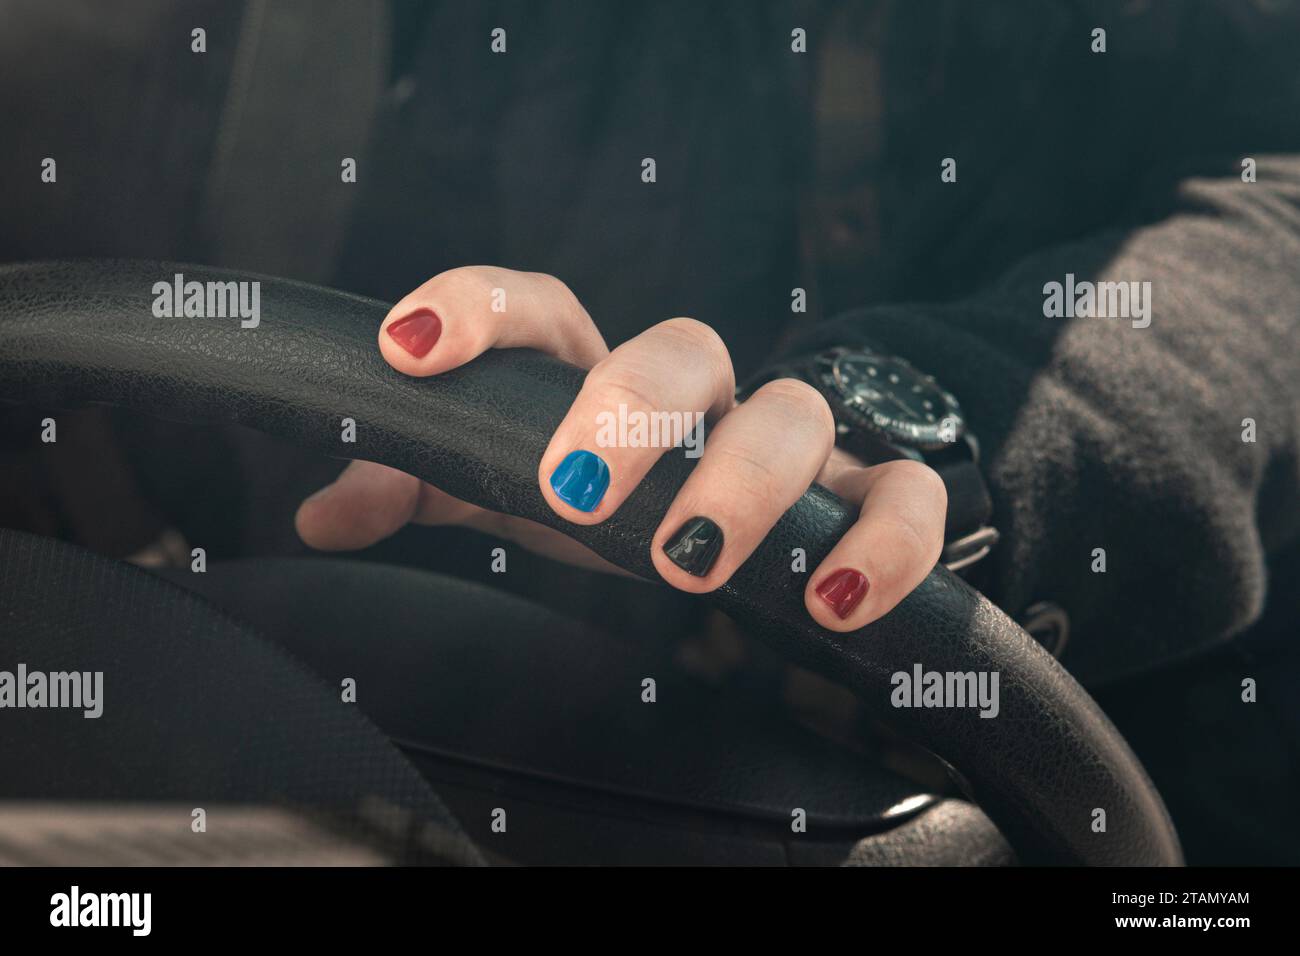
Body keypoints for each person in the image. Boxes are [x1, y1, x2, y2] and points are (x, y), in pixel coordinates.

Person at [2, 0, 1298, 862]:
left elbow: (1271, 230)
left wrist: (905, 426)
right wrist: (469, 406)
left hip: (1139, 754)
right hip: (581, 710)